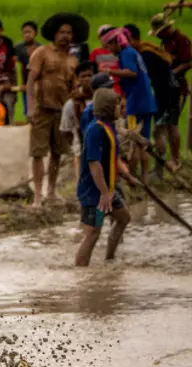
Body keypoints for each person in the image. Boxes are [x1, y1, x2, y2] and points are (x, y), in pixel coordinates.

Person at [27, 13, 83, 207]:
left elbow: (74, 88)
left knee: (57, 152)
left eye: (69, 33)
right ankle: (37, 196)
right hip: (42, 109)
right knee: (38, 153)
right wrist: (31, 107)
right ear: (54, 34)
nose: (65, 36)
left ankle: (51, 191)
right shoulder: (41, 52)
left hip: (62, 111)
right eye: (61, 32)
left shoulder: (72, 60)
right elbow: (30, 81)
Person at [76, 87, 131, 266]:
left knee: (123, 218)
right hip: (96, 194)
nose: (120, 110)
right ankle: (81, 275)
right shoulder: (96, 130)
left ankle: (109, 259)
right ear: (108, 108)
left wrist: (128, 177)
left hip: (107, 190)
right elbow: (94, 163)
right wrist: (104, 192)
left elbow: (112, 159)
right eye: (117, 106)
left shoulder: (109, 127)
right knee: (93, 233)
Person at [104, 27, 157, 181]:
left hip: (138, 103)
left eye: (109, 45)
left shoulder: (126, 53)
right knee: (143, 141)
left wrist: (110, 72)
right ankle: (144, 177)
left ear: (116, 42)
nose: (108, 49)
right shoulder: (133, 52)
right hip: (144, 102)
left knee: (133, 140)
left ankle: (134, 177)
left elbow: (131, 73)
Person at [127, 23, 179, 172]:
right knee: (166, 127)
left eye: (127, 40)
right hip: (169, 90)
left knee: (158, 130)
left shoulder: (145, 54)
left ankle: (159, 170)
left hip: (166, 92)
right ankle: (165, 165)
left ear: (134, 39)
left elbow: (143, 78)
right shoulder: (147, 49)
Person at [151, 14, 192, 156]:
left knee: (172, 124)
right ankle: (164, 159)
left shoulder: (181, 40)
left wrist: (171, 73)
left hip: (177, 88)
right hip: (163, 89)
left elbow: (188, 63)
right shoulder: (164, 42)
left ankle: (176, 159)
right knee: (161, 125)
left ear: (166, 29)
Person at [61, 61, 97, 184]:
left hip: (101, 138)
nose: (87, 79)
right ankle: (81, 187)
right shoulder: (72, 103)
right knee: (79, 157)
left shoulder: (102, 97)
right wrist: (73, 144)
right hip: (81, 140)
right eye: (83, 76)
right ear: (78, 79)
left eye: (90, 75)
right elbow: (66, 129)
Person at [16, 20, 41, 114]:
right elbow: (21, 68)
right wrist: (23, 83)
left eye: (29, 32)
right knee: (28, 109)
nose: (27, 35)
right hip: (26, 82)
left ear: (35, 33)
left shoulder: (40, 48)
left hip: (39, 82)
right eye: (24, 32)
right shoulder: (19, 48)